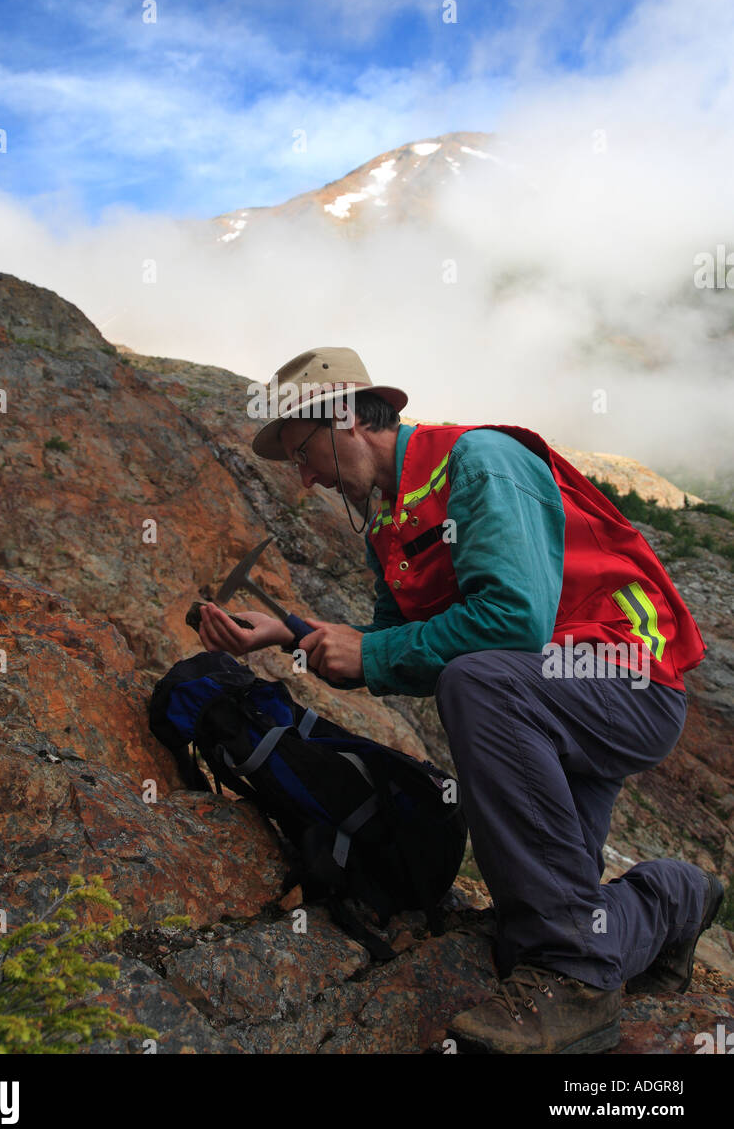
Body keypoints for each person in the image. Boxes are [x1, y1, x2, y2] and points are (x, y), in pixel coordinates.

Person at [196, 346, 724, 1055]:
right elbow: (393, 647)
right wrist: (289, 634)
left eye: (305, 452)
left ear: (349, 421)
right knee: (540, 928)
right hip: (550, 700)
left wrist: (375, 654)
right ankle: (673, 899)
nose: (307, 478)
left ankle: (573, 984)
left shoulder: (477, 463)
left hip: (626, 677)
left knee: (475, 685)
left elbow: (513, 621)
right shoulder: (389, 524)